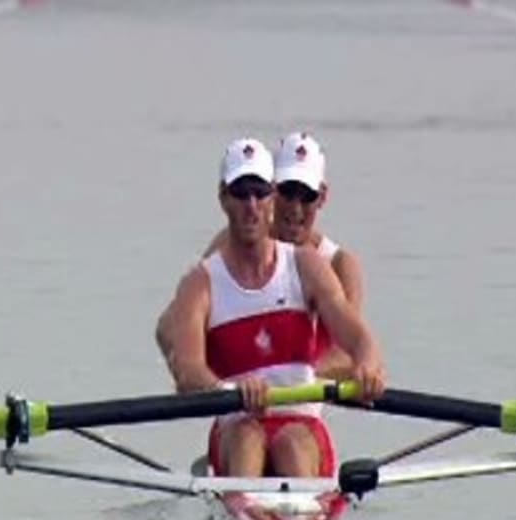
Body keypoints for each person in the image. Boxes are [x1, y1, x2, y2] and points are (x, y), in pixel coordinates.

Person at [157, 137, 386, 479]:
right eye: (240, 193)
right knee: (248, 437)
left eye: (260, 193)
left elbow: (359, 338)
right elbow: (187, 367)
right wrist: (227, 391)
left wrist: (368, 366)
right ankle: (261, 514)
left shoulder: (309, 266)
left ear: (270, 197)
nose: (251, 204)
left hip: (302, 422)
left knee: (291, 443)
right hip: (236, 425)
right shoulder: (200, 281)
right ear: (223, 198)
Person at [157, 132, 366, 380]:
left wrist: (287, 379)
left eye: (306, 195)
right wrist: (197, 377)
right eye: (288, 192)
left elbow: (347, 354)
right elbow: (167, 329)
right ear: (274, 192)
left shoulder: (338, 265)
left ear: (322, 197)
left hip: (303, 398)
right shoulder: (231, 245)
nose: (295, 207)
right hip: (239, 396)